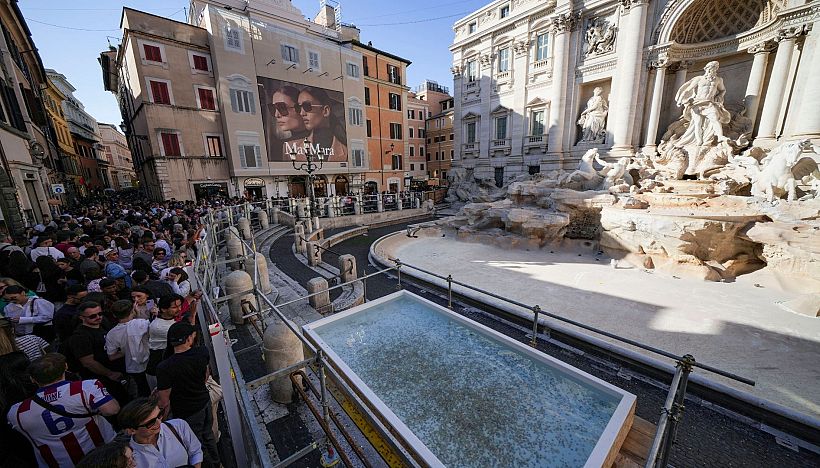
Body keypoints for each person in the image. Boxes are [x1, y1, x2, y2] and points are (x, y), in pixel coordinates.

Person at [7, 353, 120, 467]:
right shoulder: (85, 388)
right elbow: (112, 410)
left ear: (32, 379)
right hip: (102, 456)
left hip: (58, 464)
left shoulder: (17, 411)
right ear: (66, 367)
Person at [156, 322, 219, 467]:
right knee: (208, 435)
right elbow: (205, 377)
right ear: (189, 339)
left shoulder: (164, 367)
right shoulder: (202, 352)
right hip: (204, 401)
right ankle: (216, 461)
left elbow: (164, 401)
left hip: (186, 411)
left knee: (196, 443)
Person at [65, 302, 129, 406]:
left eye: (100, 313)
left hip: (116, 374)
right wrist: (110, 374)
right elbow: (88, 362)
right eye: (92, 316)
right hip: (100, 379)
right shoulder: (80, 336)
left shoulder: (103, 325)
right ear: (82, 318)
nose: (98, 317)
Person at [119, 396, 203, 468]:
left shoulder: (178, 426)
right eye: (151, 423)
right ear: (132, 430)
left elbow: (196, 452)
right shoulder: (128, 456)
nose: (159, 422)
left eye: (159, 415)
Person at [674, 60, 731, 147]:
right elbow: (688, 90)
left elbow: (723, 90)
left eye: (715, 68)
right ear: (706, 69)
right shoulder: (699, 79)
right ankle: (699, 141)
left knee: (715, 118)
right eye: (711, 68)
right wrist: (680, 100)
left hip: (709, 103)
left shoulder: (718, 80)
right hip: (697, 103)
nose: (713, 70)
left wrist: (719, 97)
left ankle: (720, 136)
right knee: (697, 123)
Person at [105, 300, 151, 397]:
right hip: (150, 361)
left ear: (114, 315)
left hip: (132, 367)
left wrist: (126, 349)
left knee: (142, 391)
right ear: (132, 311)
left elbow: (112, 356)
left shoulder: (111, 334)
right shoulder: (143, 323)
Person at [298, 87, 348, 162]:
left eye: (307, 106)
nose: (301, 113)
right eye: (298, 108)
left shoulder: (347, 151)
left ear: (325, 111)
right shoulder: (291, 148)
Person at [146, 295, 182, 377]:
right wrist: (192, 315)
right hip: (159, 368)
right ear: (163, 309)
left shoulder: (169, 316)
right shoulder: (160, 327)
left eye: (180, 305)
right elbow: (187, 336)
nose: (179, 309)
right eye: (174, 307)